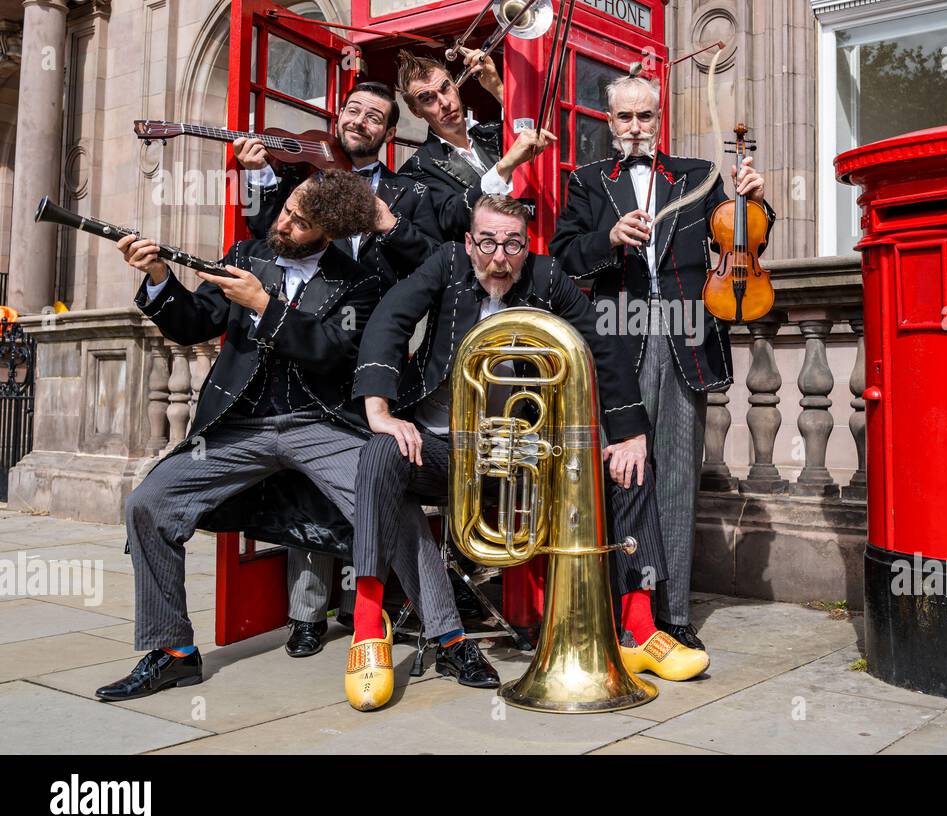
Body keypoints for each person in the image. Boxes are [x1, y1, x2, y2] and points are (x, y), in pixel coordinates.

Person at [346, 193, 709, 712]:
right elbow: (389, 319)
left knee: (629, 467)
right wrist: (380, 411)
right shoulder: (445, 264)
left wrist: (629, 431)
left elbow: (603, 347)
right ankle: (367, 629)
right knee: (379, 454)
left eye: (513, 244)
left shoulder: (547, 277)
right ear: (470, 242)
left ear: (526, 245)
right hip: (443, 449)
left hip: (525, 452)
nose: (499, 256)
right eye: (488, 242)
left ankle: (639, 631)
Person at [95, 170, 382, 701]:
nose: (285, 222)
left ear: (330, 230)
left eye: (301, 221)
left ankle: (440, 630)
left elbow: (330, 351)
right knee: (149, 504)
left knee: (384, 501)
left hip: (316, 424)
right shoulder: (247, 256)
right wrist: (159, 275)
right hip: (239, 427)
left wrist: (264, 306)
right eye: (287, 209)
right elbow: (193, 321)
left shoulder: (358, 282)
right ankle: (173, 651)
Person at [550, 75, 773, 651]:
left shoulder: (698, 176)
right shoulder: (588, 181)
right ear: (608, 121)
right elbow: (563, 255)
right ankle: (626, 608)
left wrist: (755, 198)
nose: (635, 128)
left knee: (674, 476)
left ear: (659, 118)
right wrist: (608, 237)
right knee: (621, 476)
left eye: (645, 117)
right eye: (624, 118)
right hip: (616, 342)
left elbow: (740, 241)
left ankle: (671, 614)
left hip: (683, 337)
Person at [232, 81, 437, 657]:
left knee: (370, 479)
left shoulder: (406, 191)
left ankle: (364, 604)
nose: (361, 120)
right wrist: (260, 181)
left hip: (377, 357)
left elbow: (430, 264)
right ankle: (305, 612)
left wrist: (385, 223)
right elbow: (266, 242)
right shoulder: (306, 177)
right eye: (354, 109)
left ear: (389, 133)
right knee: (305, 478)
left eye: (376, 115)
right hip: (308, 343)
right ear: (338, 116)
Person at [394, 49, 555, 242]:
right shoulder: (416, 169)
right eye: (428, 99)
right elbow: (453, 217)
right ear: (415, 111)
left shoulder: (496, 131)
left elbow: (547, 131)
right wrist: (504, 167)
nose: (444, 103)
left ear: (456, 86)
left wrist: (497, 87)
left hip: (541, 243)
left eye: (445, 88)